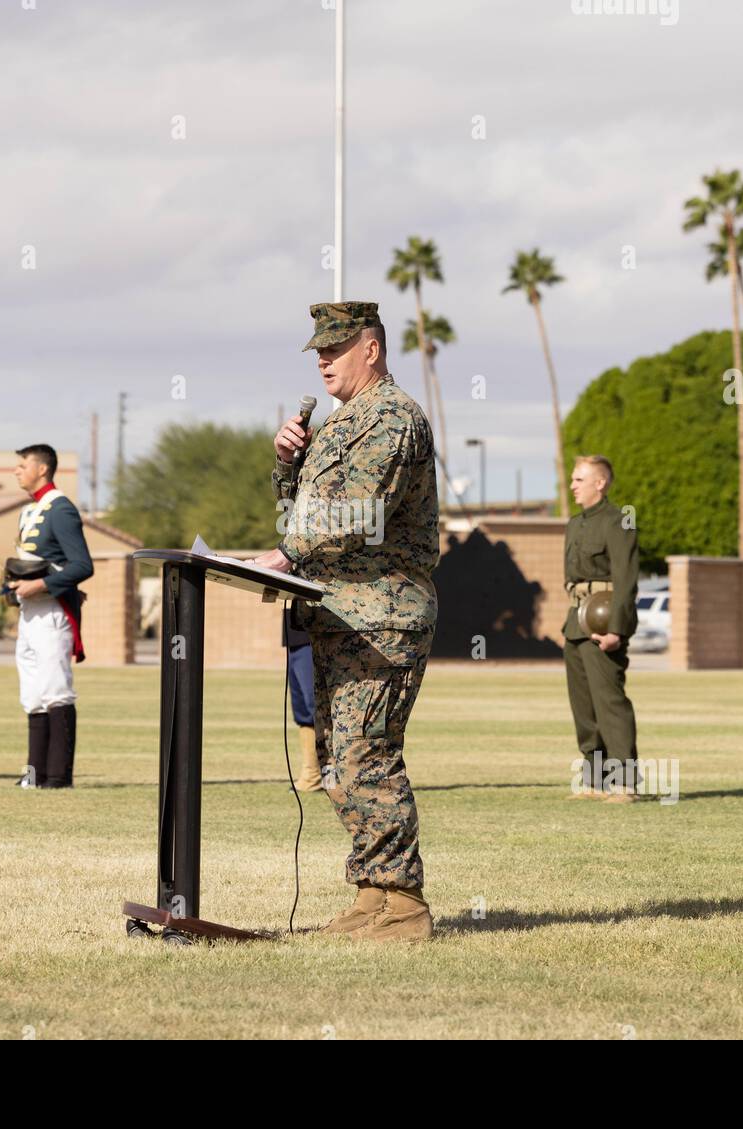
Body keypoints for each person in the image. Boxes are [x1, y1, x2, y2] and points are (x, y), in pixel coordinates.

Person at [253, 300, 440, 943]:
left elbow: (363, 512)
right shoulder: (340, 424)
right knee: (340, 759)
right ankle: (373, 894)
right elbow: (300, 513)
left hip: (382, 616)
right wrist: (287, 464)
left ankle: (404, 906)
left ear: (373, 349)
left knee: (368, 751)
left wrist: (288, 553)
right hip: (339, 614)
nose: (324, 361)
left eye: (335, 349)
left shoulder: (392, 418)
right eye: (318, 352)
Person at [9, 444, 93, 789]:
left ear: (42, 469)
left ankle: (58, 776)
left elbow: (82, 565)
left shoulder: (60, 509)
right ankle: (35, 774)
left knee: (56, 690)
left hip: (52, 611)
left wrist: (41, 583)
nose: (17, 470)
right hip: (30, 612)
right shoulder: (29, 512)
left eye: (23, 464)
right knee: (33, 692)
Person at [561, 455, 640, 802]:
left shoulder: (619, 521)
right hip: (575, 623)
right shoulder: (574, 524)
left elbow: (626, 580)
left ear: (600, 483)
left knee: (609, 702)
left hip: (604, 623)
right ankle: (595, 781)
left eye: (580, 479)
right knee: (584, 707)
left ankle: (625, 782)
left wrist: (617, 630)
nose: (573, 485)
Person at [284, 608, 321, 792]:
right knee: (303, 710)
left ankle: (325, 775)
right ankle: (311, 774)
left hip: (314, 627)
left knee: (315, 704)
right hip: (295, 631)